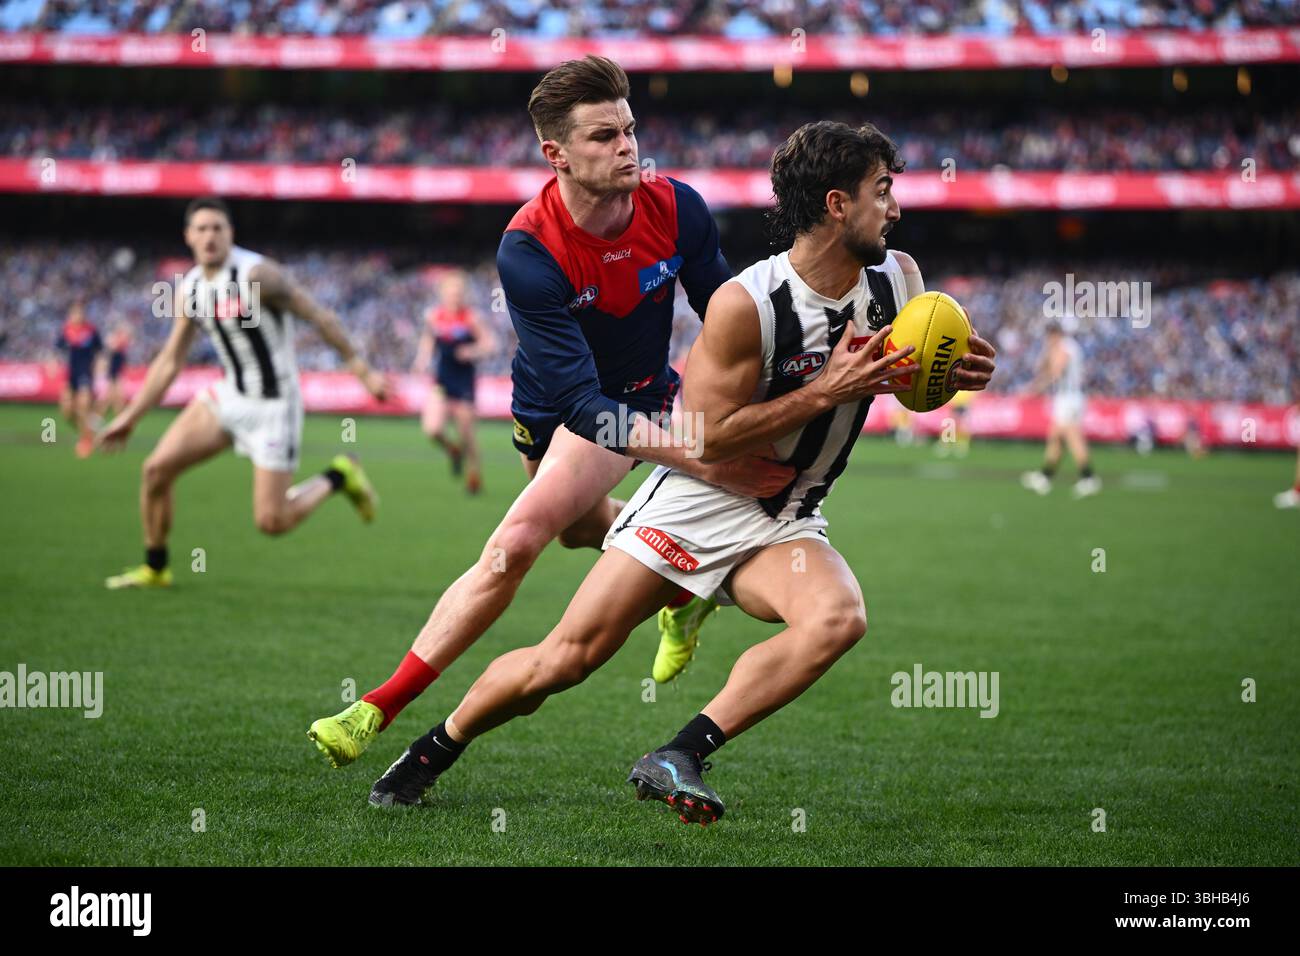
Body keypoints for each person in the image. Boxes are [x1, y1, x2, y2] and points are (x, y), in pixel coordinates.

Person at [363, 120, 998, 819]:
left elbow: (913, 382)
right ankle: (431, 750)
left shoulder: (902, 280)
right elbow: (709, 438)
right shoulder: (744, 306)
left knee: (837, 618)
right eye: (883, 192)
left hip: (784, 516)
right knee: (565, 661)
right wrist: (826, 391)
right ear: (837, 204)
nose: (897, 208)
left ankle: (680, 753)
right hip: (694, 500)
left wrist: (961, 372)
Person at [307, 55, 792, 770]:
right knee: (578, 528)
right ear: (555, 154)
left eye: (629, 130)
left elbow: (730, 318)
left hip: (636, 396)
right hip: (556, 404)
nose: (627, 146)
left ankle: (380, 703)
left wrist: (798, 382)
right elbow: (577, 404)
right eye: (603, 137)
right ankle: (685, 589)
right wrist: (702, 457)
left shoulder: (678, 207)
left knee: (517, 539)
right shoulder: (529, 251)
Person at [96, 197, 390, 589]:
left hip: (273, 406)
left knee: (272, 521)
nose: (209, 236)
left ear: (230, 234)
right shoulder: (191, 289)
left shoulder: (258, 275)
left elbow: (319, 316)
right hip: (228, 397)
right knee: (155, 470)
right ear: (188, 236)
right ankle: (156, 567)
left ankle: (340, 475)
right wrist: (129, 419)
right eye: (200, 229)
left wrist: (361, 370)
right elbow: (170, 360)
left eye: (217, 228)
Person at [412, 270, 496, 494]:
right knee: (432, 429)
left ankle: (474, 476)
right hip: (442, 381)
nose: (455, 297)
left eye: (459, 293)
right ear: (442, 294)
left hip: (464, 383)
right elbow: (428, 341)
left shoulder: (470, 317)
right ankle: (452, 450)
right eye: (451, 292)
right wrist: (421, 360)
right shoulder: (434, 316)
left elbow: (490, 344)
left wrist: (472, 350)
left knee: (467, 434)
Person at [1020, 321, 1100, 498]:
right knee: (1055, 437)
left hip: (1069, 398)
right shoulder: (1068, 346)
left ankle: (1089, 477)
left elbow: (1054, 372)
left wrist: (1033, 389)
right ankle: (1045, 476)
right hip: (1068, 398)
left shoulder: (1065, 347)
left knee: (1072, 438)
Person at [57, 301, 102, 459]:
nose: (77, 316)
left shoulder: (91, 331)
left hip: (85, 374)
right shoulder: (66, 330)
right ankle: (88, 429)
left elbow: (100, 351)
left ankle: (86, 440)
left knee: (83, 406)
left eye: (80, 313)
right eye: (74, 313)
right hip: (70, 375)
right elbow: (57, 349)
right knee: (66, 412)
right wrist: (52, 362)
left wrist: (100, 367)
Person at [99, 321, 133, 418]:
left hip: (117, 372)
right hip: (113, 373)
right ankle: (117, 419)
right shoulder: (114, 340)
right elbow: (110, 350)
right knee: (113, 398)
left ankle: (117, 419)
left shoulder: (122, 341)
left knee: (114, 399)